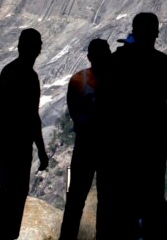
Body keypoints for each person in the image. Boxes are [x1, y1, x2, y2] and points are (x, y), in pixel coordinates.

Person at [105, 13, 167, 239]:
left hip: (122, 137)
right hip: (152, 137)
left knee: (122, 191)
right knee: (152, 190)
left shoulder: (117, 61)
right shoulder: (165, 64)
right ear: (155, 33)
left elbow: (103, 98)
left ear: (134, 30)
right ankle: (153, 234)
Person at [0, 28, 49, 240]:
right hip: (18, 138)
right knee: (16, 188)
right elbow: (32, 116)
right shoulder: (28, 76)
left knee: (9, 187)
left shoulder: (9, 70)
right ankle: (7, 233)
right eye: (37, 44)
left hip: (6, 136)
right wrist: (41, 151)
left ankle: (3, 232)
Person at [59, 38, 110, 240]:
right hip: (102, 145)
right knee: (103, 198)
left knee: (77, 198)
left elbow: (74, 112)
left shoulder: (78, 80)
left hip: (87, 145)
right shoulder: (82, 80)